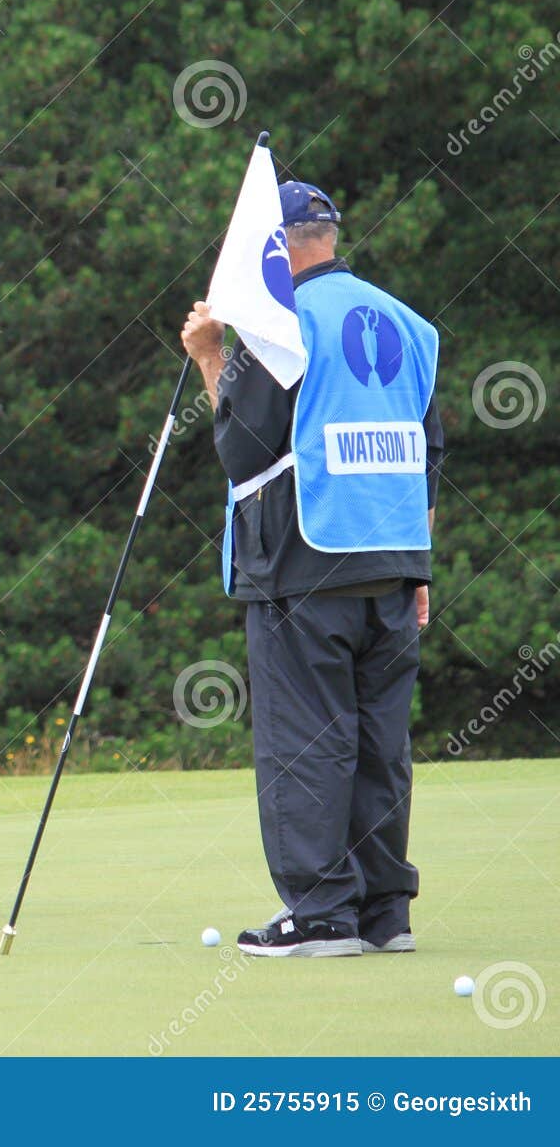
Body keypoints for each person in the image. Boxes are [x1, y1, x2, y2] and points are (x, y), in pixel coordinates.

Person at [181, 180, 442, 958]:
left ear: (283, 243)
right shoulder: (411, 323)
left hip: (306, 558)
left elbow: (242, 450)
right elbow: (429, 457)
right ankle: (384, 911)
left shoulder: (279, 324)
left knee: (308, 739)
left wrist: (210, 358)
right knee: (377, 744)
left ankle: (323, 911)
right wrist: (422, 568)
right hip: (395, 562)